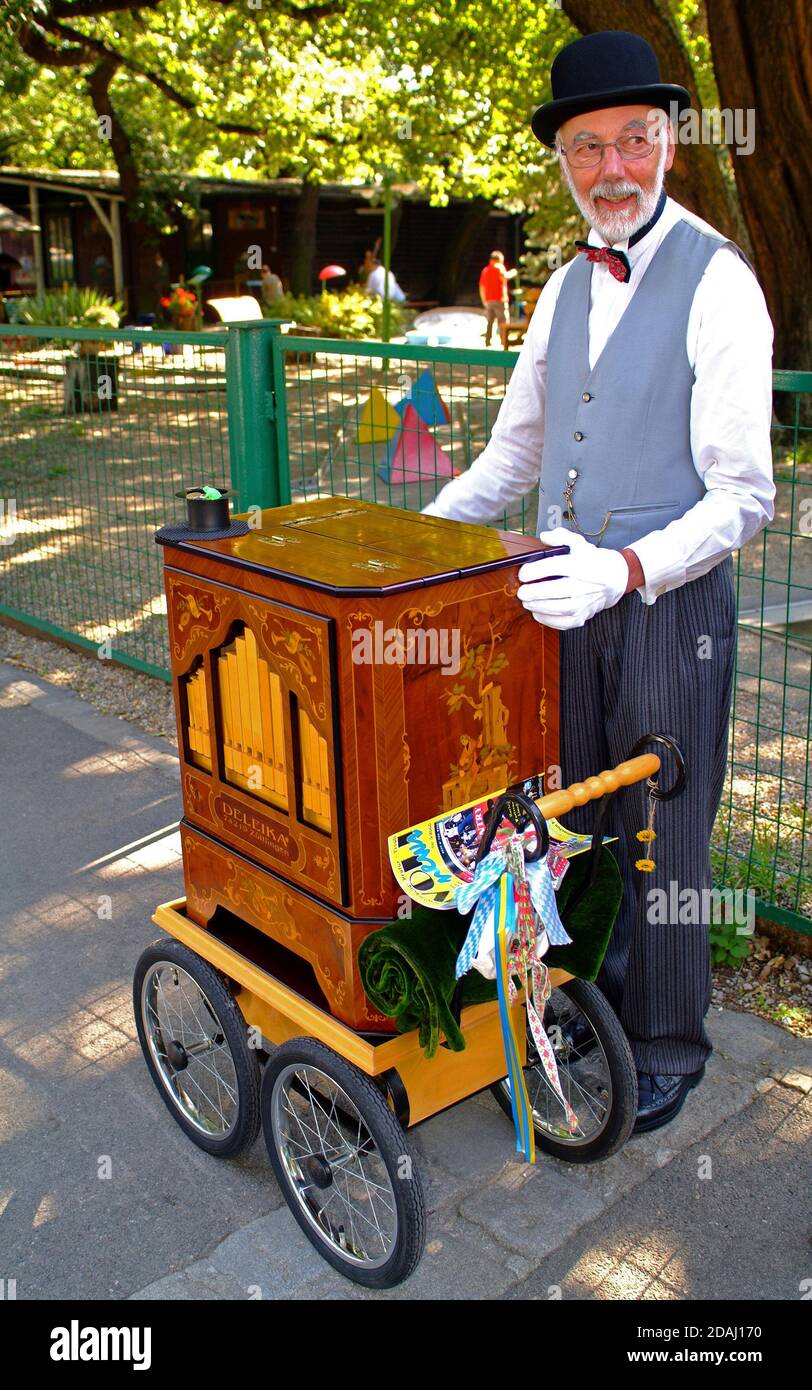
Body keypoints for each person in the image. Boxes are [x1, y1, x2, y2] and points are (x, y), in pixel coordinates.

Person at [422, 30, 774, 1134]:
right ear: (564, 162)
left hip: (669, 617)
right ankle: (584, 1007)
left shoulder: (719, 283)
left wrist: (625, 568)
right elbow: (511, 458)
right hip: (553, 613)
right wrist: (411, 540)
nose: (612, 166)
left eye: (634, 140)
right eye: (588, 147)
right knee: (560, 816)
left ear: (668, 144)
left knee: (659, 830)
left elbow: (743, 495)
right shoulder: (561, 288)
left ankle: (665, 1042)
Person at [479, 250, 513, 346]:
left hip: (488, 300)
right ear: (499, 260)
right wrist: (513, 272)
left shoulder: (485, 270)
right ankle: (504, 341)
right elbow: (505, 276)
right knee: (503, 322)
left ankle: (487, 341)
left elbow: (481, 287)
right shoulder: (499, 268)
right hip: (499, 300)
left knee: (490, 321)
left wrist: (484, 300)